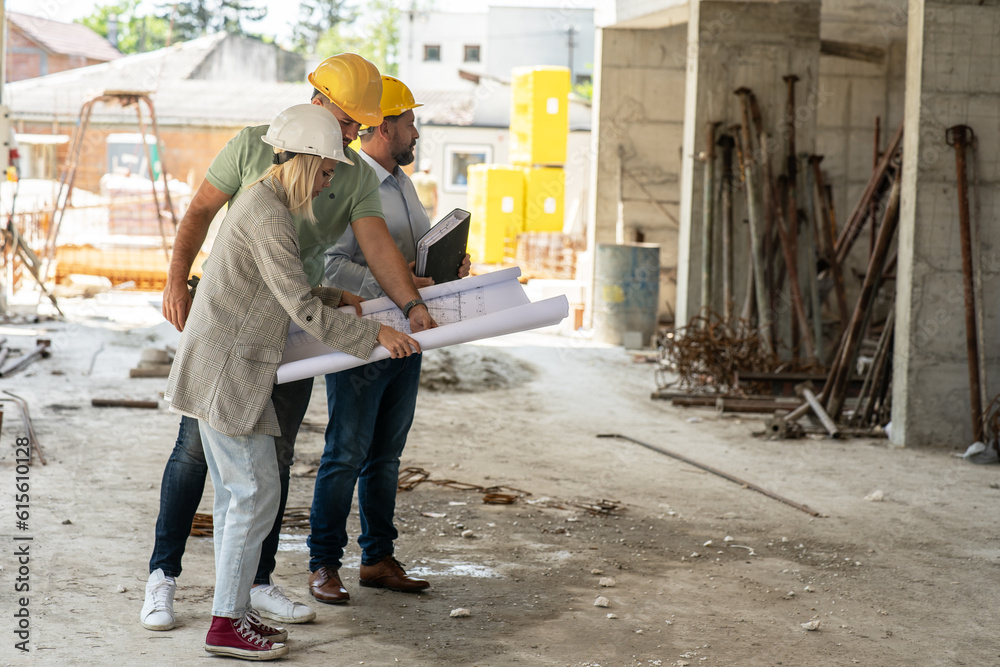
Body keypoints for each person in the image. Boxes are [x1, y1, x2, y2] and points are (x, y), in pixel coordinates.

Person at [142, 53, 437, 632]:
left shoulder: (341, 171)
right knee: (205, 457)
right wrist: (176, 280)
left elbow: (372, 251)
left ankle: (249, 588)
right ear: (316, 115)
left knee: (266, 467)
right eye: (350, 125)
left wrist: (411, 305)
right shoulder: (260, 168)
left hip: (285, 330)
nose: (355, 139)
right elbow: (202, 213)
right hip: (236, 334)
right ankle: (165, 577)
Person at [307, 76, 470, 604]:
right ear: (384, 126)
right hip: (362, 337)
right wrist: (397, 288)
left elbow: (405, 256)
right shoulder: (345, 180)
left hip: (408, 335)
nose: (415, 131)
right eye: (409, 123)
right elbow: (332, 267)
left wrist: (440, 269)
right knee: (345, 452)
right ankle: (324, 564)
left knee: (387, 455)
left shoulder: (401, 182)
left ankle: (377, 558)